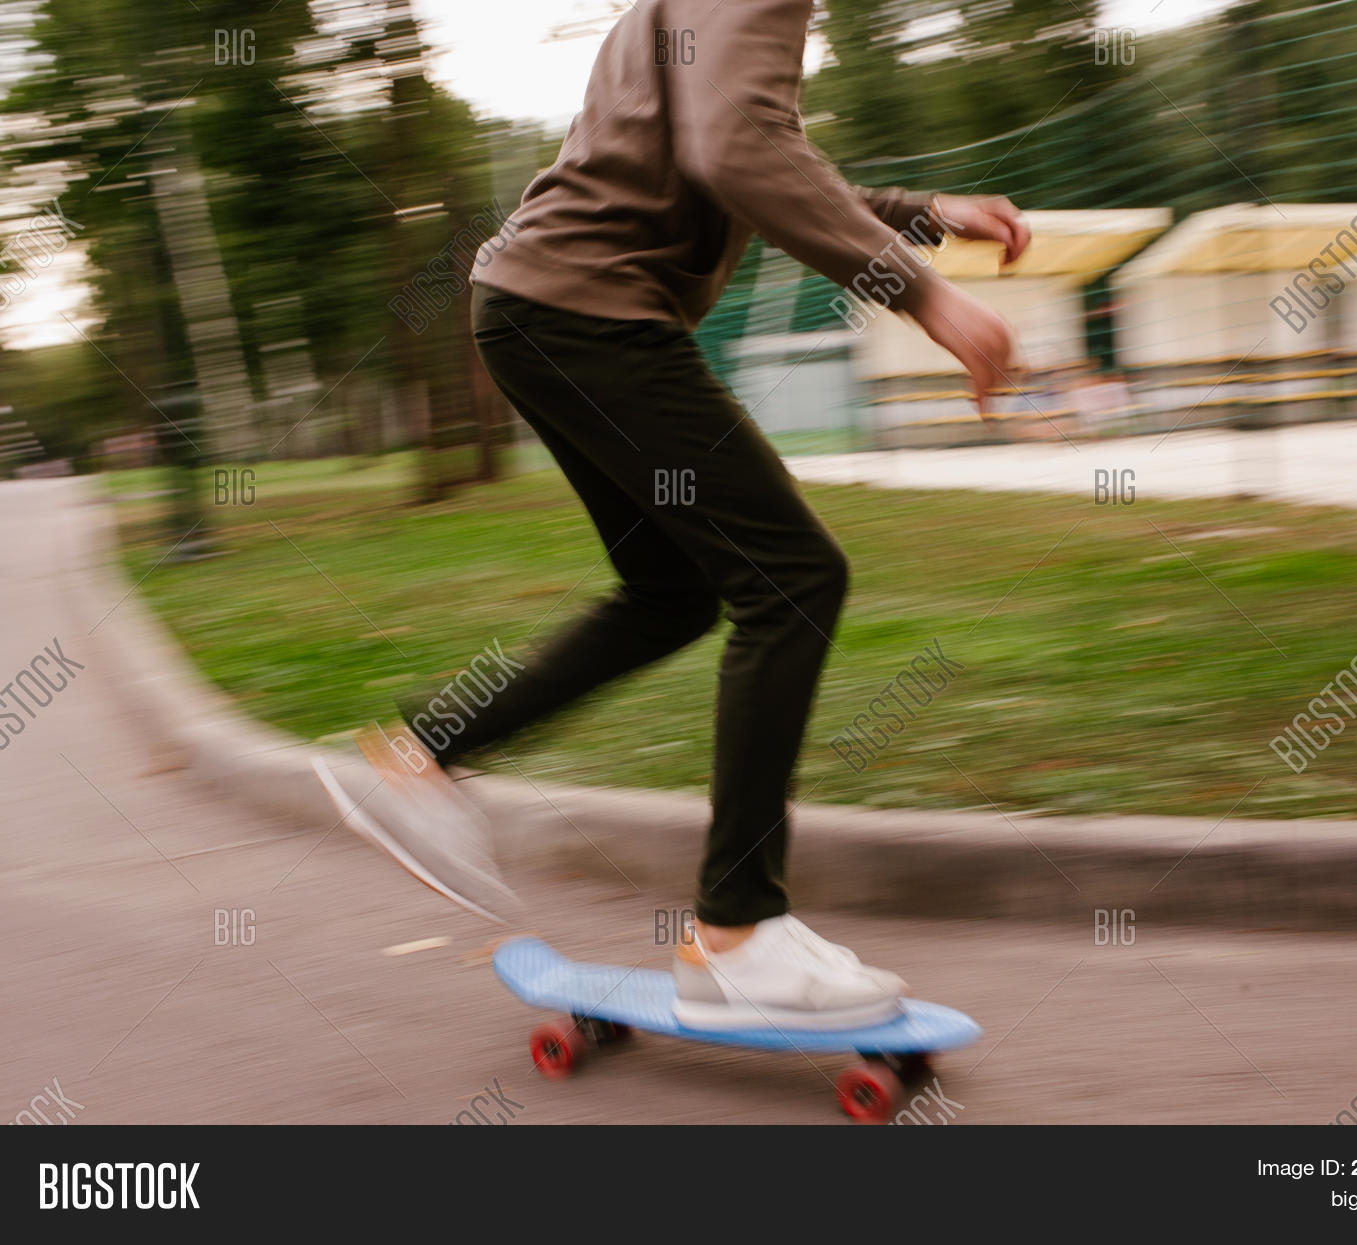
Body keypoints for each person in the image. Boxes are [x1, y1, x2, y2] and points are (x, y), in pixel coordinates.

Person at [352, 0, 1028, 1031]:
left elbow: (746, 153)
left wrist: (921, 210)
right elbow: (739, 154)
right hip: (590, 317)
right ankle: (738, 933)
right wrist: (925, 296)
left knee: (672, 594)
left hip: (539, 313)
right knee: (793, 578)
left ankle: (425, 757)